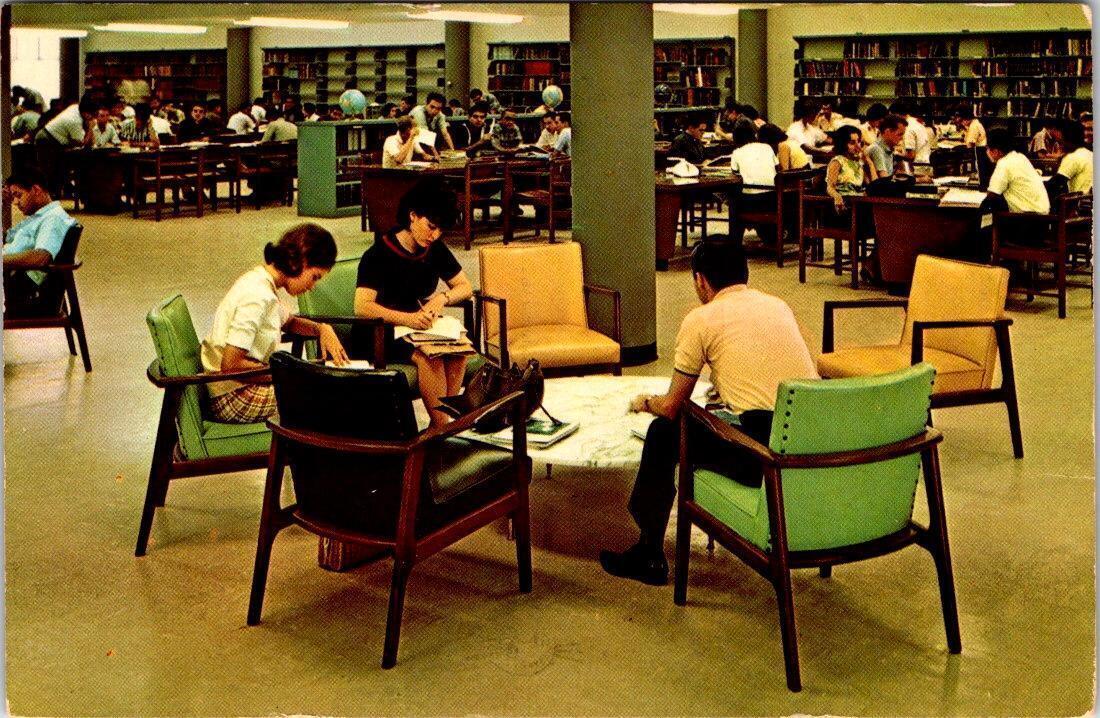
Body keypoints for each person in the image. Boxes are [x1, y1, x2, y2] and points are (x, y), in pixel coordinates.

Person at [599, 239, 817, 585]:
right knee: (713, 420)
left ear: (701, 280)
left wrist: (646, 402)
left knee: (663, 433)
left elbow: (672, 407)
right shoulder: (779, 306)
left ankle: (649, 551)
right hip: (811, 440)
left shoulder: (701, 319)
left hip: (762, 456)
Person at [353, 179, 473, 428]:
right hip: (378, 332)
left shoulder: (434, 249)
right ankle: (442, 427)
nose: (435, 235)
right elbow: (362, 307)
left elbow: (465, 287)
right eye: (430, 226)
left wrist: (442, 298)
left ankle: (445, 422)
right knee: (430, 357)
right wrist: (408, 319)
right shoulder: (378, 254)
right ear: (413, 216)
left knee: (458, 354)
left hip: (415, 327)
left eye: (440, 229)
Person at [201, 224, 348, 424]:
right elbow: (231, 365)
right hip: (233, 394)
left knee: (325, 391)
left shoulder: (263, 282)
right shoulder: (257, 295)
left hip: (237, 387)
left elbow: (290, 322)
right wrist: (285, 374)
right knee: (330, 397)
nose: (312, 287)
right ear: (301, 260)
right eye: (314, 277)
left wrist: (321, 328)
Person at [2, 167, 77, 315]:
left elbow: (41, 257)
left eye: (18, 195)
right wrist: (3, 207)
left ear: (36, 190)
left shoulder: (52, 219)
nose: (15, 202)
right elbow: (6, 239)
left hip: (22, 293)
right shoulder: (39, 216)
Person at [984, 127, 1050, 215]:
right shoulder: (1020, 157)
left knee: (983, 217)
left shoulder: (1004, 163)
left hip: (1028, 218)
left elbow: (992, 195)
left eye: (988, 149)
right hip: (1042, 215)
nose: (987, 152)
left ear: (996, 151)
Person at [826, 125, 867, 212]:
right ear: (843, 144)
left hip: (859, 202)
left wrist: (869, 162)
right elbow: (830, 187)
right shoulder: (837, 161)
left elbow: (871, 185)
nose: (857, 146)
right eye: (852, 143)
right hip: (844, 205)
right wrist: (837, 197)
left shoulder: (858, 162)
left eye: (858, 141)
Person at [1053, 121, 1093, 194]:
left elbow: (1055, 184)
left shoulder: (1072, 157)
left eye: (1060, 141)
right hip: (1089, 200)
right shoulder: (1090, 154)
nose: (1060, 146)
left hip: (1077, 202)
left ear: (1068, 140)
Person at [865, 113, 907, 180]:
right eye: (900, 134)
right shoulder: (876, 149)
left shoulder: (888, 149)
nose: (902, 138)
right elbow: (885, 179)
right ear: (887, 132)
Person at [891, 100, 931, 164]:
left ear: (897, 115)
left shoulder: (907, 128)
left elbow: (911, 156)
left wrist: (895, 154)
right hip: (926, 161)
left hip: (918, 165)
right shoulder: (917, 123)